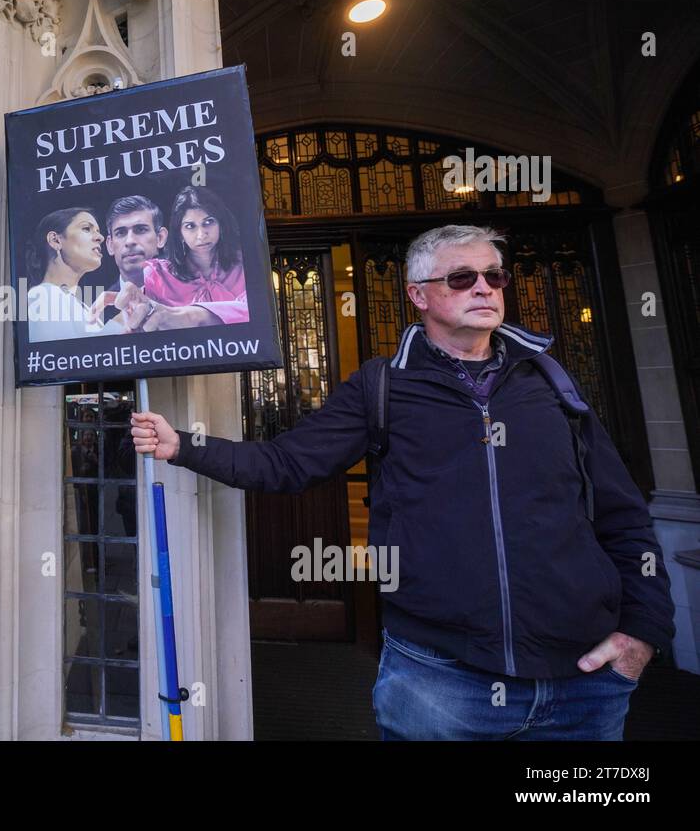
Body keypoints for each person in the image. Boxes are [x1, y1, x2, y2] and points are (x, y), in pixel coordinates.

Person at [130, 223, 675, 741]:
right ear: (419, 294)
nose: (484, 288)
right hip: (438, 680)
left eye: (494, 276)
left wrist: (642, 635)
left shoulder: (552, 383)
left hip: (581, 681)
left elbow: (623, 516)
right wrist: (183, 445)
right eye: (462, 278)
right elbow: (285, 463)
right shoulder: (382, 387)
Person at [91, 190, 248, 332]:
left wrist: (188, 316)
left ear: (161, 237)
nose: (201, 234)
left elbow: (257, 311)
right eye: (190, 226)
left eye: (208, 222)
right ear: (179, 232)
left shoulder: (246, 265)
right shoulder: (158, 276)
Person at [25, 207, 129, 342]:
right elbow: (58, 358)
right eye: (86, 228)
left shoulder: (83, 308)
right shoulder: (42, 295)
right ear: (55, 240)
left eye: (98, 231)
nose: (100, 237)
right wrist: (123, 319)